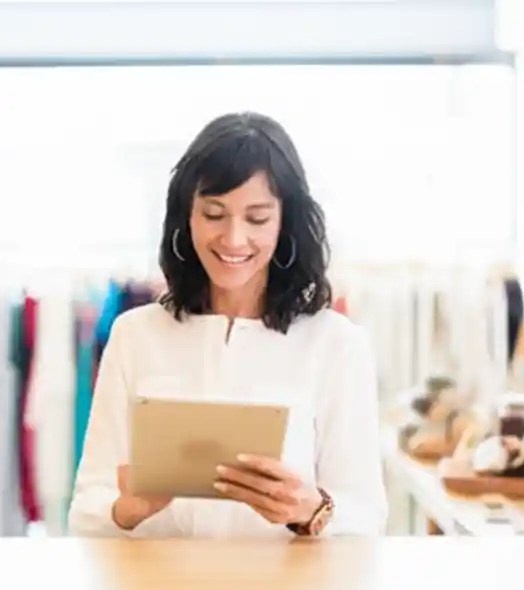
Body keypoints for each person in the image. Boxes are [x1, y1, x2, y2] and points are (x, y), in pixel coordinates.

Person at [67, 112, 387, 538]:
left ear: (284, 222)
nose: (234, 239)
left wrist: (312, 510)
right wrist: (128, 510)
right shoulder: (134, 336)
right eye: (214, 214)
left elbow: (366, 520)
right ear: (187, 217)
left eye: (257, 218)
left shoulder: (336, 344)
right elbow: (86, 515)